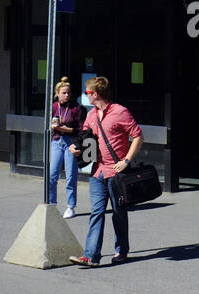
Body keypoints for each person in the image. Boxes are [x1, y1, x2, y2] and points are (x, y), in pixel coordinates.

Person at [68, 76, 143, 267]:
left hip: (117, 173)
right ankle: (91, 255)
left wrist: (126, 160)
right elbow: (85, 137)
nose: (85, 95)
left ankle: (121, 250)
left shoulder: (120, 112)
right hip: (97, 172)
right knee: (97, 213)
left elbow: (138, 136)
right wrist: (76, 148)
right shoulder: (91, 115)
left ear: (96, 94)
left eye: (87, 93)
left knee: (118, 213)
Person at [48, 77, 84, 218]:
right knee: (52, 175)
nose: (67, 95)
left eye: (68, 93)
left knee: (70, 176)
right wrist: (53, 127)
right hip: (57, 141)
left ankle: (71, 206)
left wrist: (66, 129)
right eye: (64, 93)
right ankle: (52, 204)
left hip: (71, 142)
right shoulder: (54, 107)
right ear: (57, 93)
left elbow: (81, 130)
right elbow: (49, 124)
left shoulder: (76, 108)